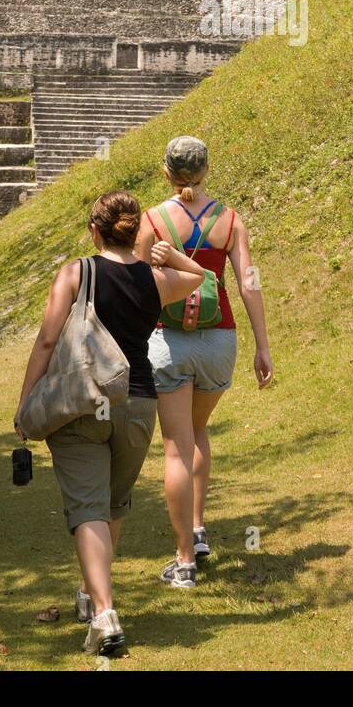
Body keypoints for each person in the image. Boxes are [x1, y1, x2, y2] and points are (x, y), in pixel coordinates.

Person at [14, 190, 209, 657]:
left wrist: (27, 403)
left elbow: (45, 342)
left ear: (93, 230)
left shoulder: (75, 272)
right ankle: (91, 593)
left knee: (89, 508)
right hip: (139, 403)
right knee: (113, 504)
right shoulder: (155, 280)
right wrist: (172, 254)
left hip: (83, 401)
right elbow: (199, 277)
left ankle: (104, 613)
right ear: (137, 231)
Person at [136, 136, 273, 587]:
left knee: (175, 445)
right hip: (220, 338)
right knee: (198, 432)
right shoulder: (231, 221)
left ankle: (184, 562)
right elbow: (248, 282)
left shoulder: (153, 220)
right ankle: (197, 530)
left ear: (166, 172)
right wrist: (262, 344)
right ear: (206, 170)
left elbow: (135, 286)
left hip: (168, 339)